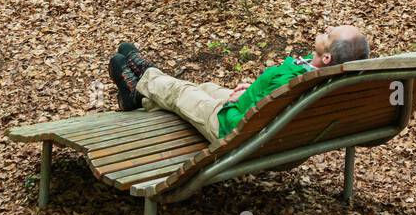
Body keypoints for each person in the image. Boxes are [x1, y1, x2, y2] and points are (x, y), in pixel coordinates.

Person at [108, 26, 370, 143]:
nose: (324, 31)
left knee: (181, 92)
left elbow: (269, 101)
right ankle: (138, 98)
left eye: (329, 34)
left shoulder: (295, 80)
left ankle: (145, 76)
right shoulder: (326, 83)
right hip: (259, 121)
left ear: (326, 58)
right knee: (206, 88)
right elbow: (272, 101)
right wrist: (252, 92)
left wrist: (236, 105)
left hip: (234, 128)